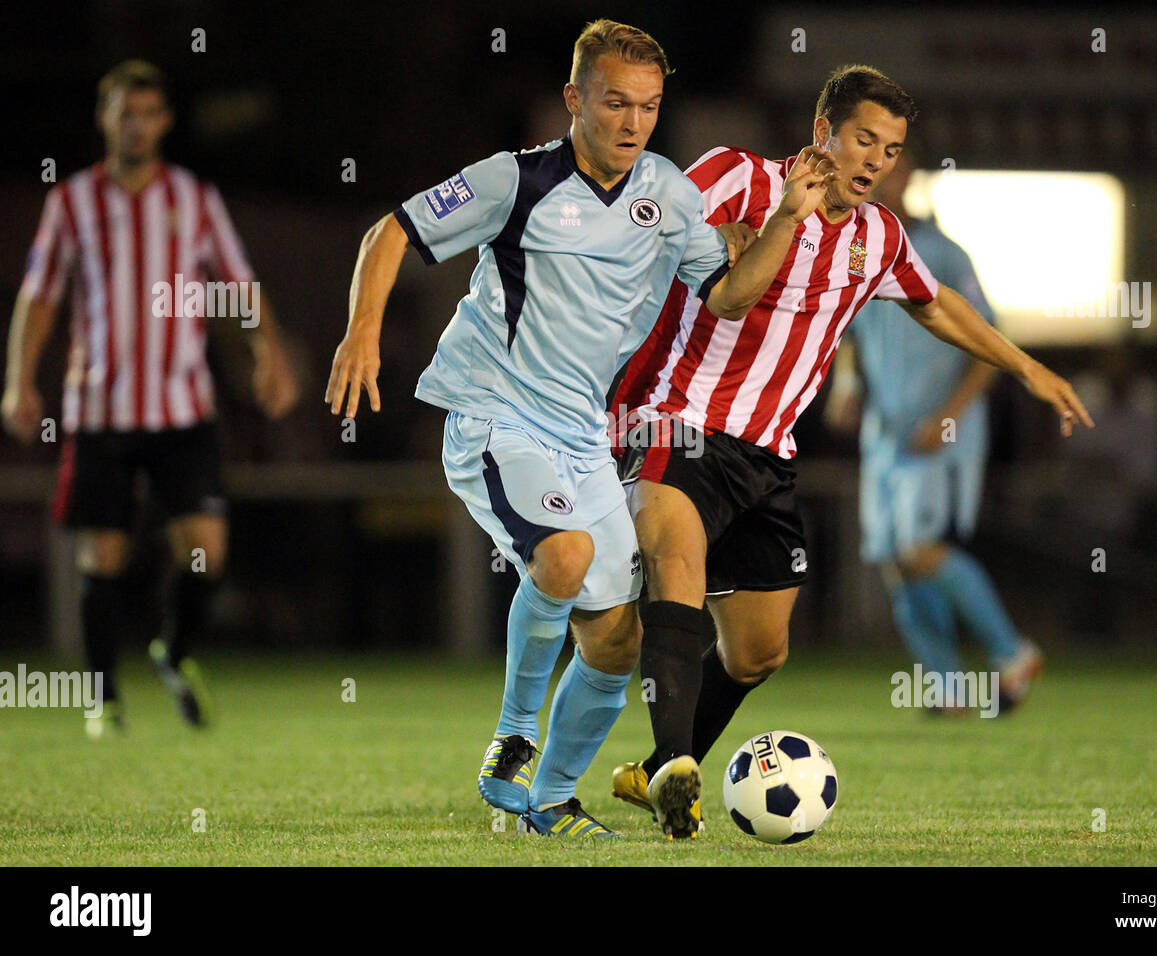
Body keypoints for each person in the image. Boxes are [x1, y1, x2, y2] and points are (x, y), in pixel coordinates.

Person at [324, 20, 830, 837]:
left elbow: (728, 295)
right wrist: (362, 332)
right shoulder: (513, 181)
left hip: (581, 436)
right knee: (564, 557)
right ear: (574, 99)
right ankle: (514, 737)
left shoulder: (665, 192)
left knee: (616, 642)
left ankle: (548, 802)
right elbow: (391, 233)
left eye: (649, 107)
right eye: (615, 103)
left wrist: (782, 224)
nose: (632, 123)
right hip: (494, 413)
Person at [609, 65, 1093, 838]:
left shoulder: (879, 236)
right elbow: (641, 219)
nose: (876, 160)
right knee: (677, 566)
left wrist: (1027, 367)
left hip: (766, 456)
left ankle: (653, 770)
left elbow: (938, 307)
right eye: (864, 139)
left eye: (891, 149)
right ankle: (674, 765)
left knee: (760, 655)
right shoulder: (740, 176)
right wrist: (694, 236)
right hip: (678, 420)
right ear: (821, 134)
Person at [1, 60, 299, 737]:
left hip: (180, 410)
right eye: (123, 113)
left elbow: (237, 282)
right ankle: (104, 698)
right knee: (100, 558)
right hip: (100, 410)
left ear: (164, 121)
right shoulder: (71, 201)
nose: (136, 125)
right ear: (104, 119)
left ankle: (174, 648)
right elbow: (40, 296)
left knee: (207, 551)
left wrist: (269, 354)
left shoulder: (192, 198)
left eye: (148, 113)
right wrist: (20, 379)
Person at [825, 139, 1044, 713]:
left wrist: (948, 417)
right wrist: (847, 387)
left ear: (907, 176)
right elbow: (848, 333)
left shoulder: (943, 254)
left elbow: (987, 345)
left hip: (941, 432)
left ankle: (1011, 652)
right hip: (885, 430)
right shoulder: (852, 248)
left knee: (920, 549)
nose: (877, 176)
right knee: (896, 563)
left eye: (890, 166)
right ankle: (948, 688)